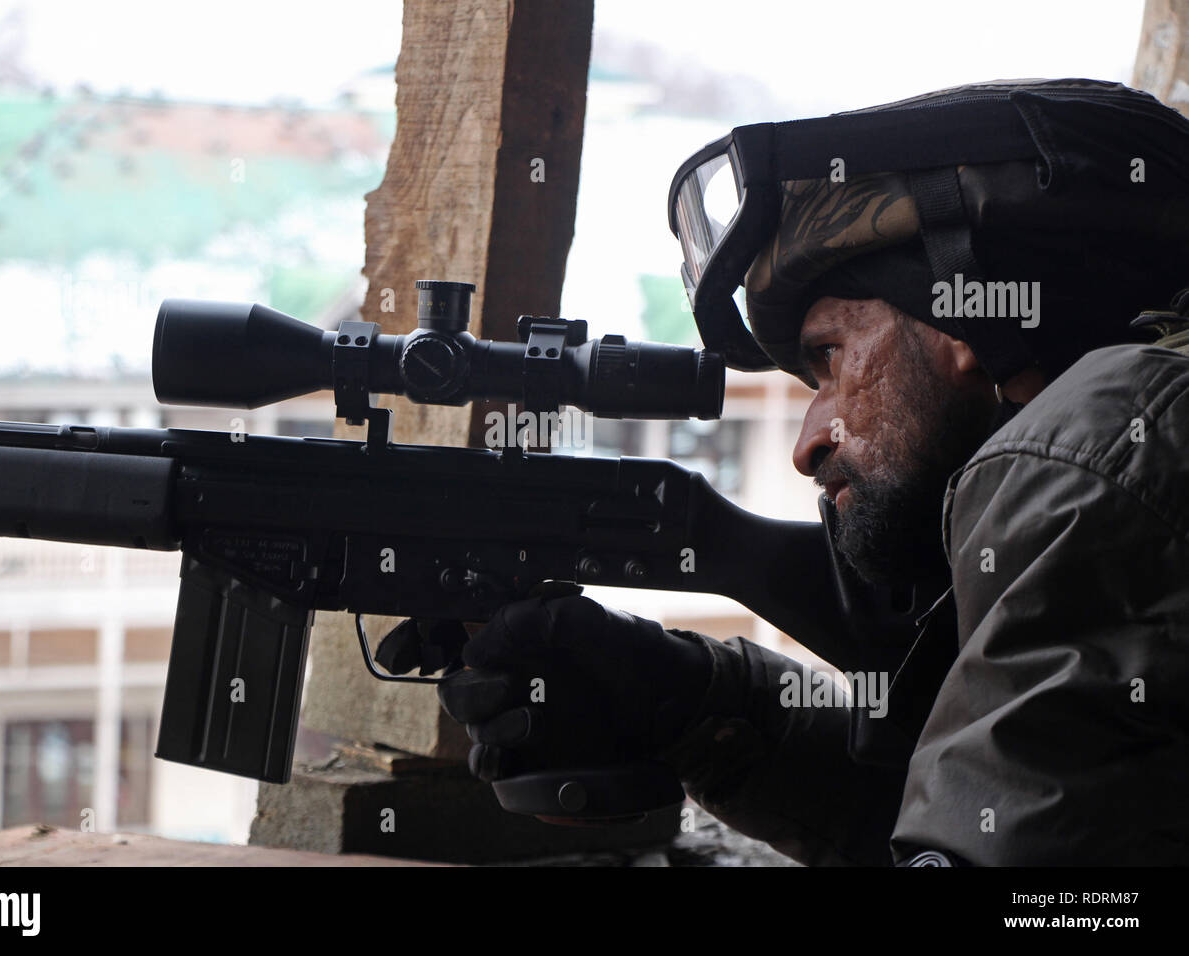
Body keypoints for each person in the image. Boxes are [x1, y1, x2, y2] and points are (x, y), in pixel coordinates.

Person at [434, 78, 1189, 866]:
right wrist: (692, 700)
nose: (806, 443)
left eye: (829, 358)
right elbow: (957, 825)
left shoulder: (1103, 442)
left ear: (968, 315)